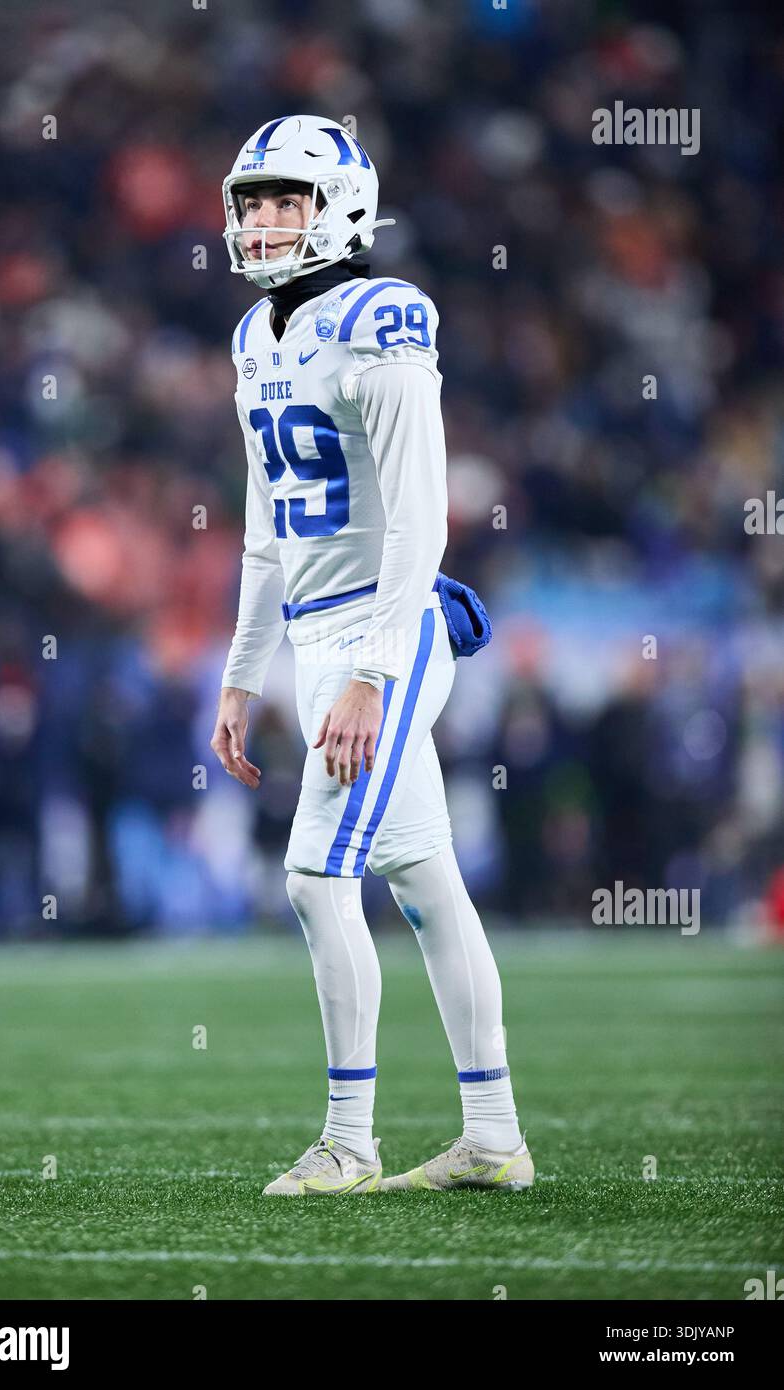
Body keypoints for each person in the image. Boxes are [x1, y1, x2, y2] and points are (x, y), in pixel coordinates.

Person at [211, 114, 533, 1196]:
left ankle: (349, 1138)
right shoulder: (255, 338)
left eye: (284, 200)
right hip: (313, 634)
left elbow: (417, 520)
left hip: (381, 628)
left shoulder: (379, 316)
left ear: (340, 207)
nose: (262, 221)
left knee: (312, 879)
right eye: (251, 201)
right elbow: (266, 522)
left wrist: (374, 672)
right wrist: (241, 671)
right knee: (427, 882)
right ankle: (490, 1137)